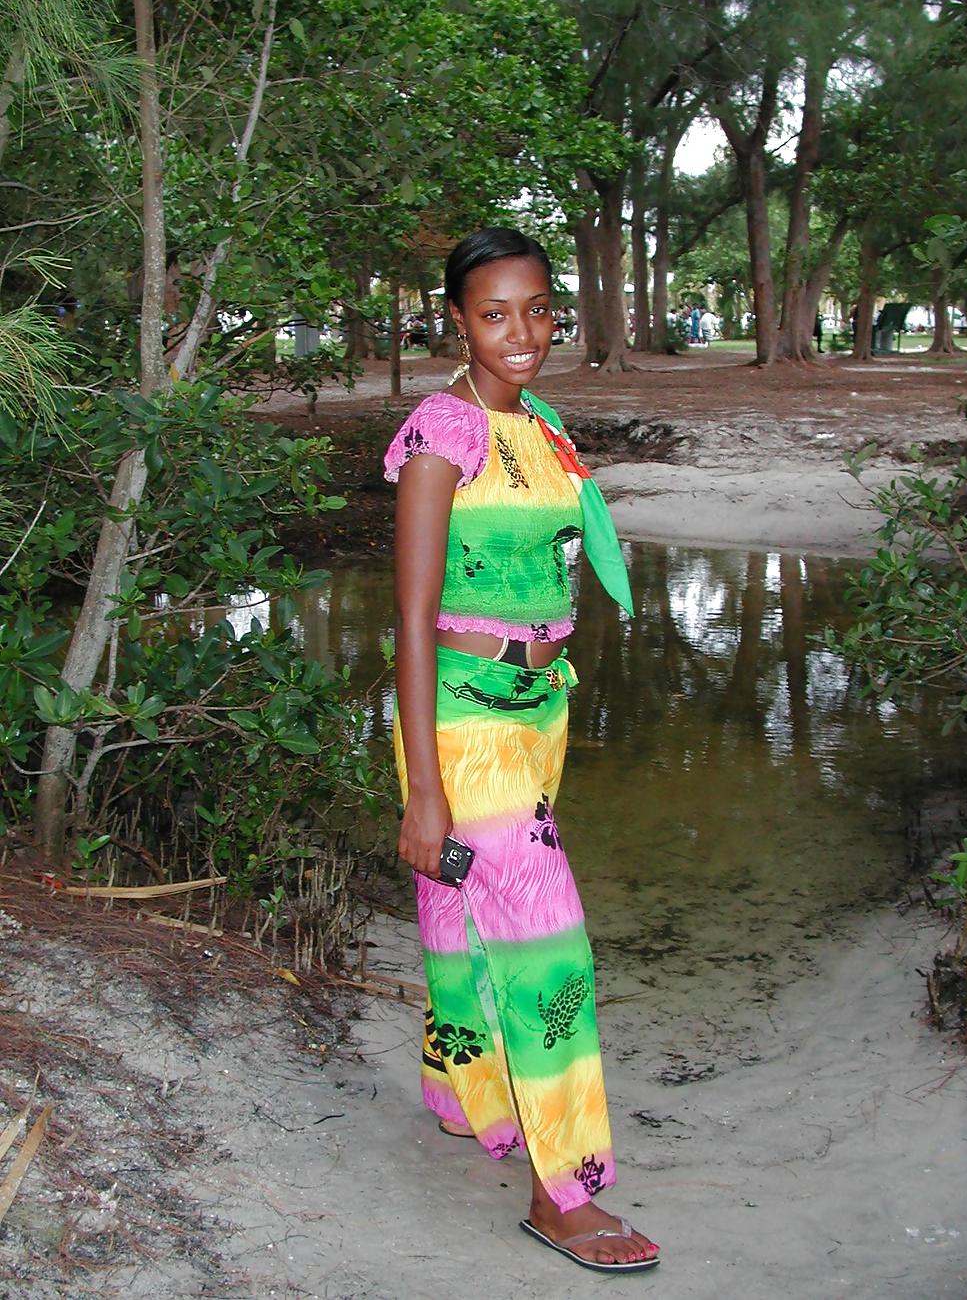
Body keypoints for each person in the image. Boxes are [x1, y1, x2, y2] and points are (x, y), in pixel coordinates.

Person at [383, 227, 659, 1275]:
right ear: (455, 319)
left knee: (461, 912)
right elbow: (409, 620)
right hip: (466, 717)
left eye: (538, 309)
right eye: (495, 313)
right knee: (549, 943)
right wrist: (423, 792)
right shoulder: (440, 436)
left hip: (537, 704)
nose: (522, 332)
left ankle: (464, 1096)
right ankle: (561, 1192)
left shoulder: (538, 424)